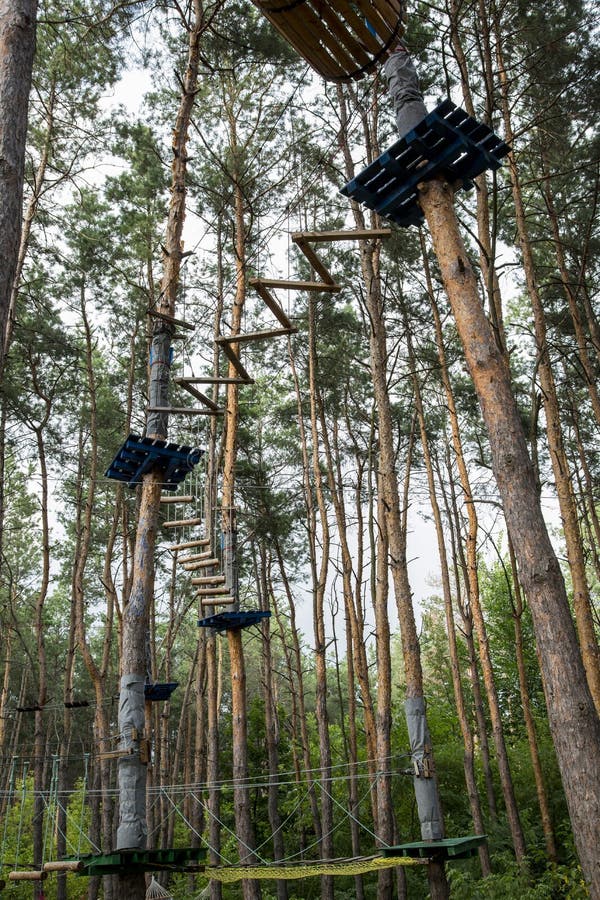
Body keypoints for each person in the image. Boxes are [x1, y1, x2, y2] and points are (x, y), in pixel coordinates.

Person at [383, 42, 428, 138]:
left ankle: (416, 133)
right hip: (395, 56)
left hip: (394, 56)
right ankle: (418, 133)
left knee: (404, 93)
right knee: (405, 93)